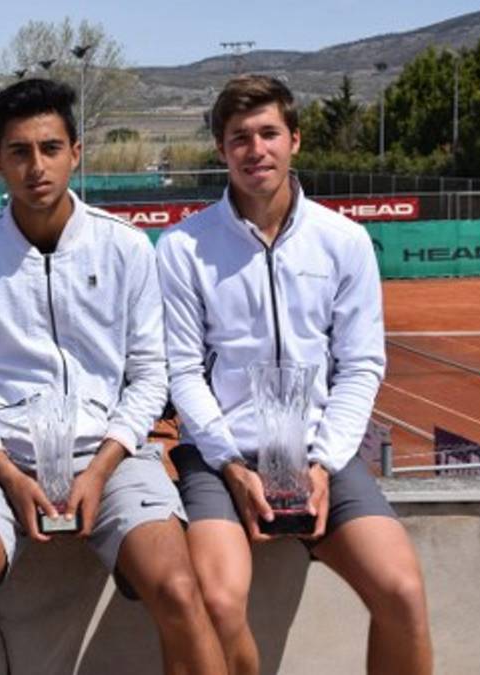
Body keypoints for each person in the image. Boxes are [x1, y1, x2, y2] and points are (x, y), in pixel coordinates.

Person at [0, 78, 227, 675]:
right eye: (20, 152)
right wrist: (4, 470)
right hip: (0, 460)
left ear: (75, 152)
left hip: (115, 457)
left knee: (182, 592)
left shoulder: (127, 249)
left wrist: (104, 465)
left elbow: (148, 376)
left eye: (51, 148)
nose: (37, 166)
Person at [156, 75, 433, 675]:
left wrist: (324, 463)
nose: (255, 150)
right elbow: (180, 370)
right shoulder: (181, 248)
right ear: (221, 148)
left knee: (403, 593)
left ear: (295, 141)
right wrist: (231, 464)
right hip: (218, 457)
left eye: (268, 134)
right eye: (239, 138)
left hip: (319, 457)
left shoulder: (345, 242)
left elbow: (361, 364)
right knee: (220, 603)